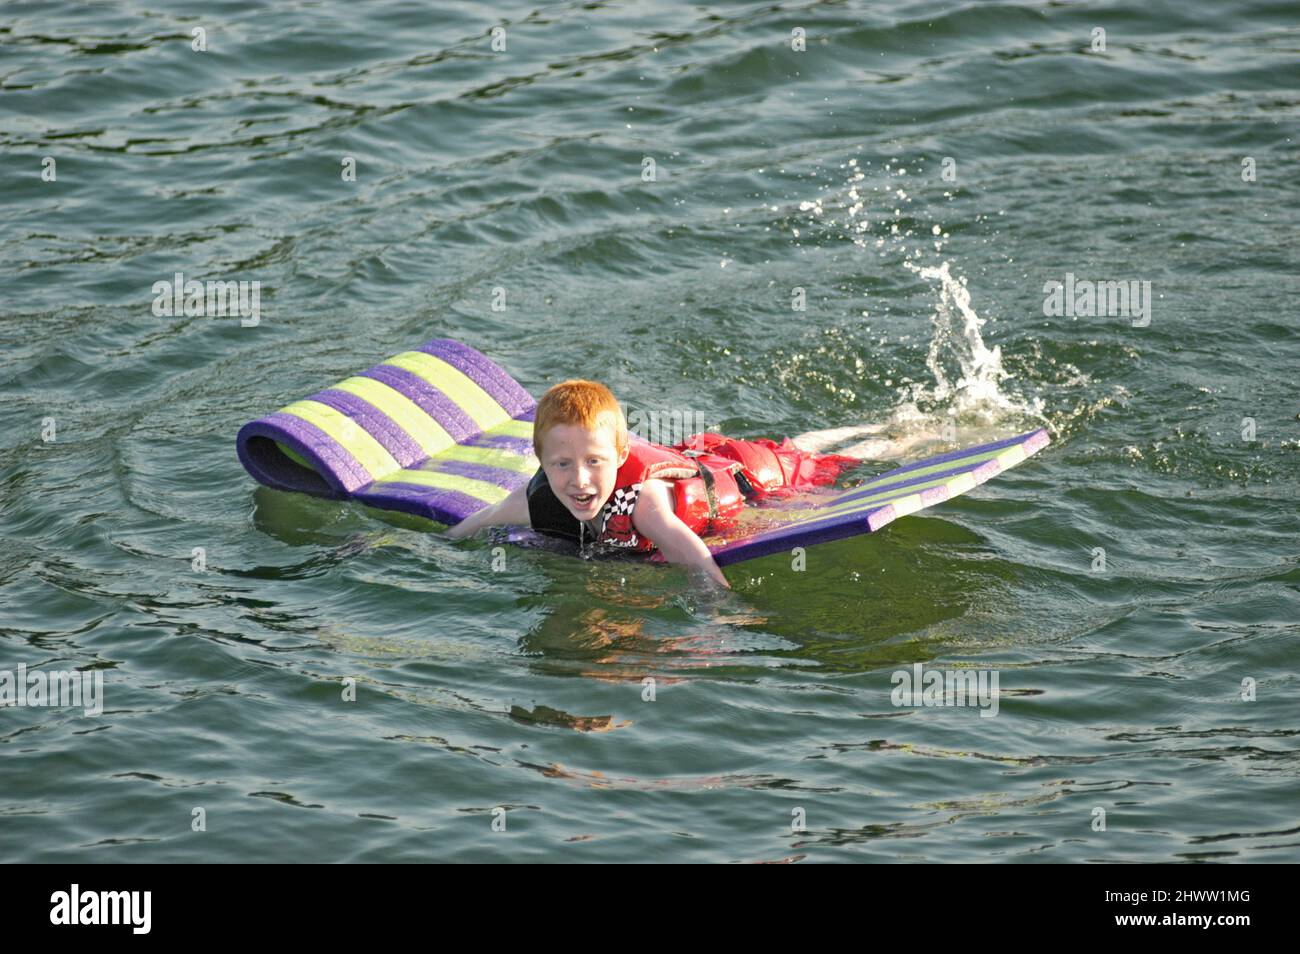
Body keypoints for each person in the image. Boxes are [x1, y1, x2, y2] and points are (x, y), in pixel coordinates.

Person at [446, 380, 860, 588]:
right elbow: (470, 528)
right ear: (541, 461)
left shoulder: (642, 503)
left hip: (753, 480)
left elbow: (693, 556)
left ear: (622, 457)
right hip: (699, 459)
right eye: (562, 464)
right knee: (803, 447)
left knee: (813, 459)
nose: (580, 480)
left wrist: (718, 611)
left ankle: (892, 434)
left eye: (594, 461)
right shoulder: (533, 500)